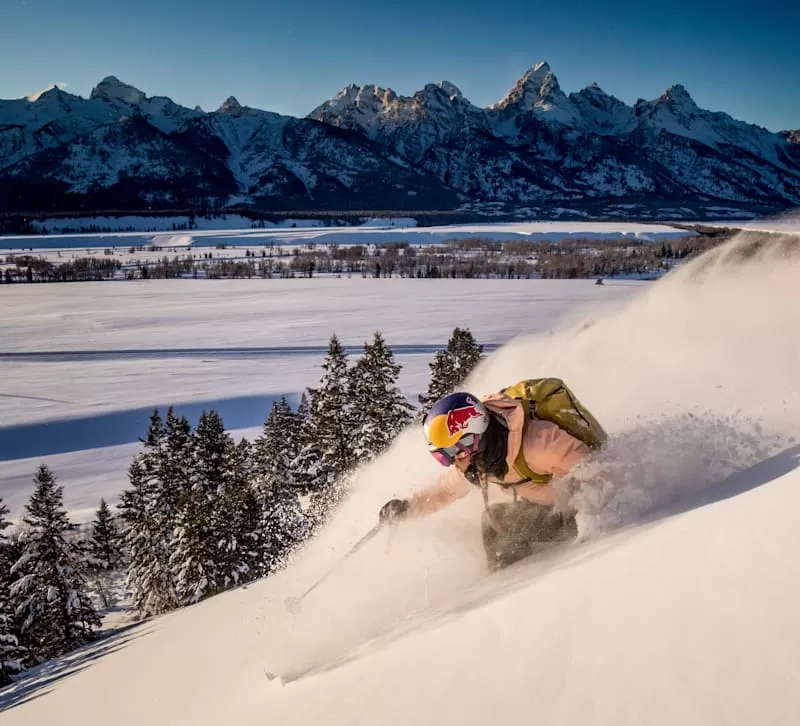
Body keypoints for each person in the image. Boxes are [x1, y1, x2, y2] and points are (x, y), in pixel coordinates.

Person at [379, 384, 604, 570]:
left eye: (454, 452)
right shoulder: (478, 461)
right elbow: (444, 491)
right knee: (494, 519)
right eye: (444, 456)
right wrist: (407, 508)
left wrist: (594, 528)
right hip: (550, 508)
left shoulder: (540, 444)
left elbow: (599, 473)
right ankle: (507, 584)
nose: (454, 462)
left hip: (581, 513)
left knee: (496, 520)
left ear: (474, 437)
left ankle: (528, 583)